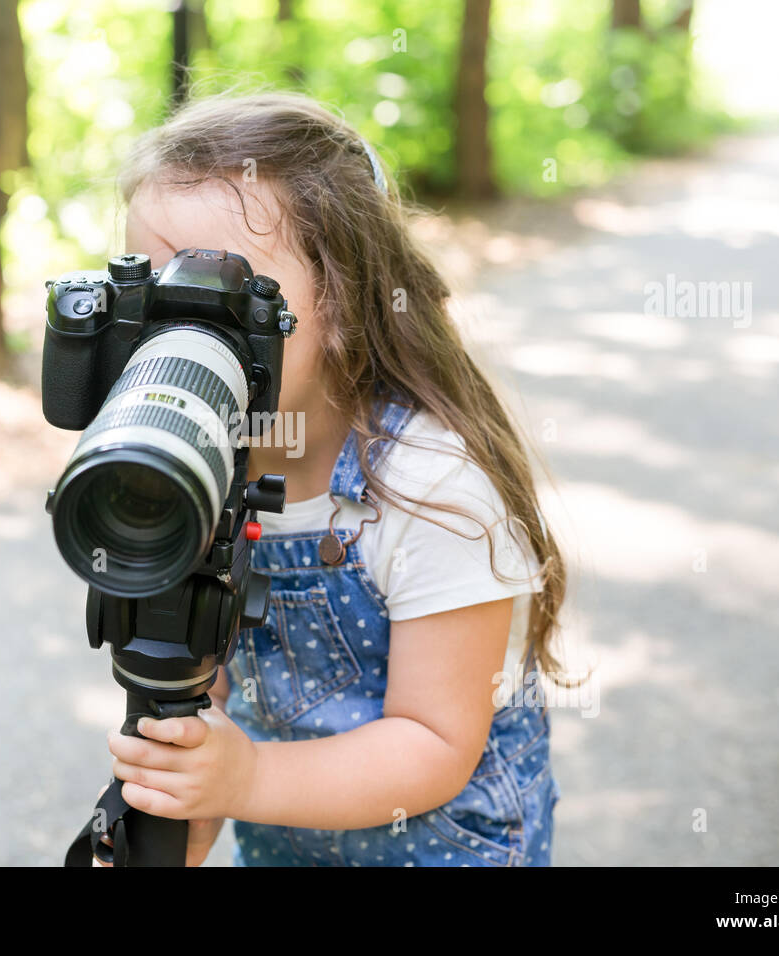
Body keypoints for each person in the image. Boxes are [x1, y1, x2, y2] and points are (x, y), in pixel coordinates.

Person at [100, 90, 570, 867]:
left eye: (225, 290)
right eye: (156, 290)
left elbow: (434, 742)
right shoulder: (198, 462)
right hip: (288, 845)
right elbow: (194, 691)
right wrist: (174, 811)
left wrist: (243, 776)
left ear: (346, 298)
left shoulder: (432, 486)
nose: (182, 325)